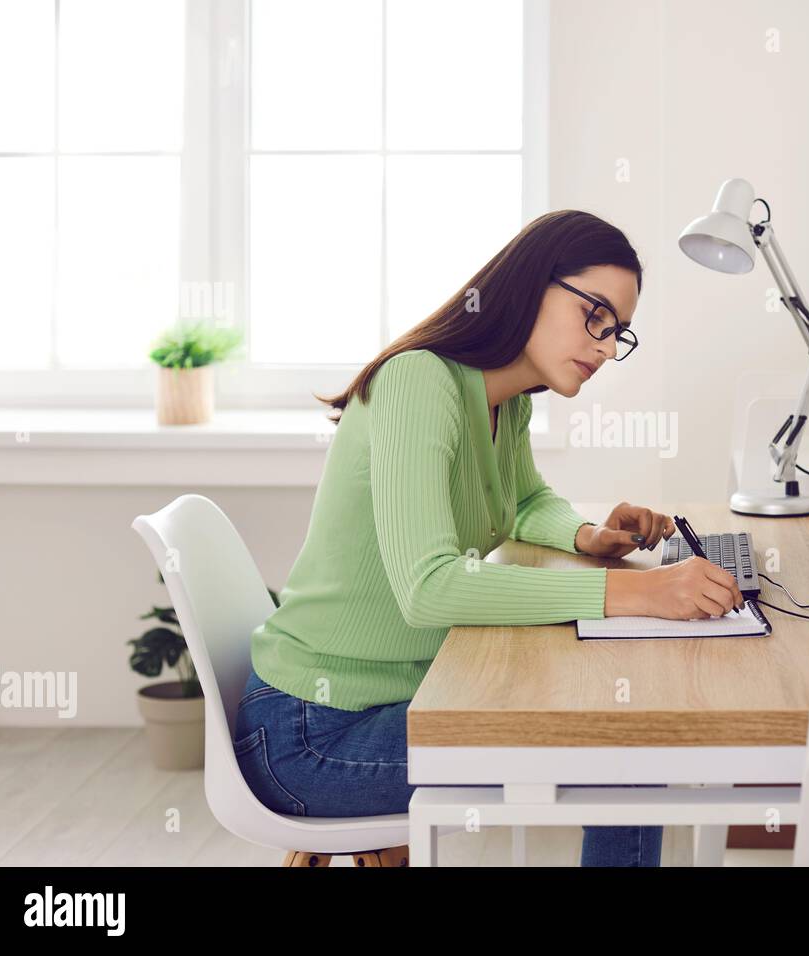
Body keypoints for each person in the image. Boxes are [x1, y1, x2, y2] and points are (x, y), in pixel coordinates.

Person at [233, 209, 743, 866]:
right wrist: (636, 592)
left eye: (618, 333)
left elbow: (524, 500)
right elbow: (429, 588)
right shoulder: (420, 381)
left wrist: (588, 536)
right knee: (621, 742)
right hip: (312, 733)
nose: (606, 348)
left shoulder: (506, 397)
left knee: (616, 725)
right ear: (532, 283)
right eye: (596, 316)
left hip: (404, 695)